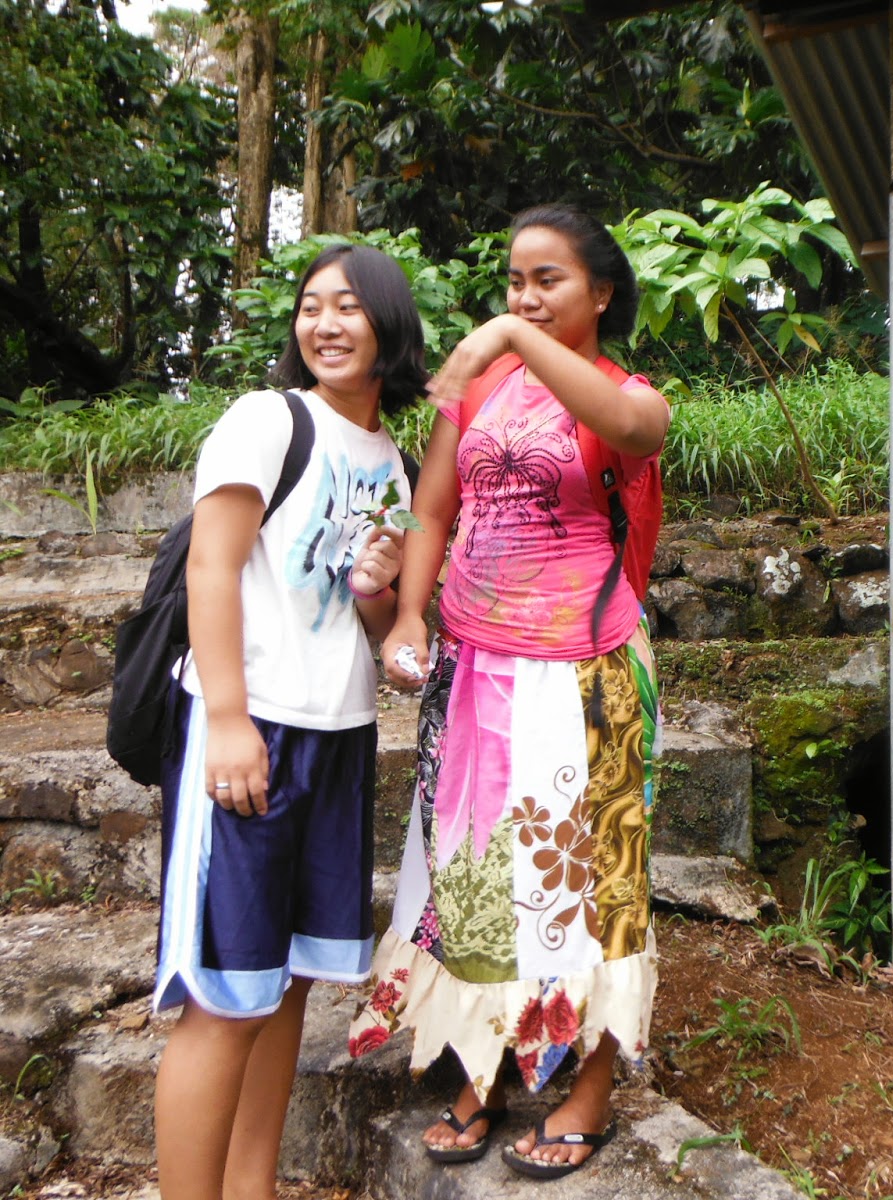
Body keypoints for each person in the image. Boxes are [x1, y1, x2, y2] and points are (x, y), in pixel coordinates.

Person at [346, 203, 669, 1181]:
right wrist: (408, 617)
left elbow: (633, 432)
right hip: (477, 665)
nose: (525, 296)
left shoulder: (624, 391)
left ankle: (589, 1087)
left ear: (601, 292)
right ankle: (483, 1064)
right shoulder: (478, 386)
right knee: (476, 877)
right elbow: (433, 506)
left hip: (588, 671)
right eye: (515, 282)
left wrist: (511, 335)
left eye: (548, 280)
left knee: (592, 886)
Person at [151, 244, 426, 1200]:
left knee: (286, 987)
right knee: (225, 999)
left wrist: (388, 610)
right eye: (312, 307)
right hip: (250, 724)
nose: (326, 324)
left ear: (391, 326)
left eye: (349, 307)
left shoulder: (394, 459)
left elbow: (374, 621)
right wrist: (227, 719)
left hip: (339, 735)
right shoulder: (269, 420)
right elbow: (211, 567)